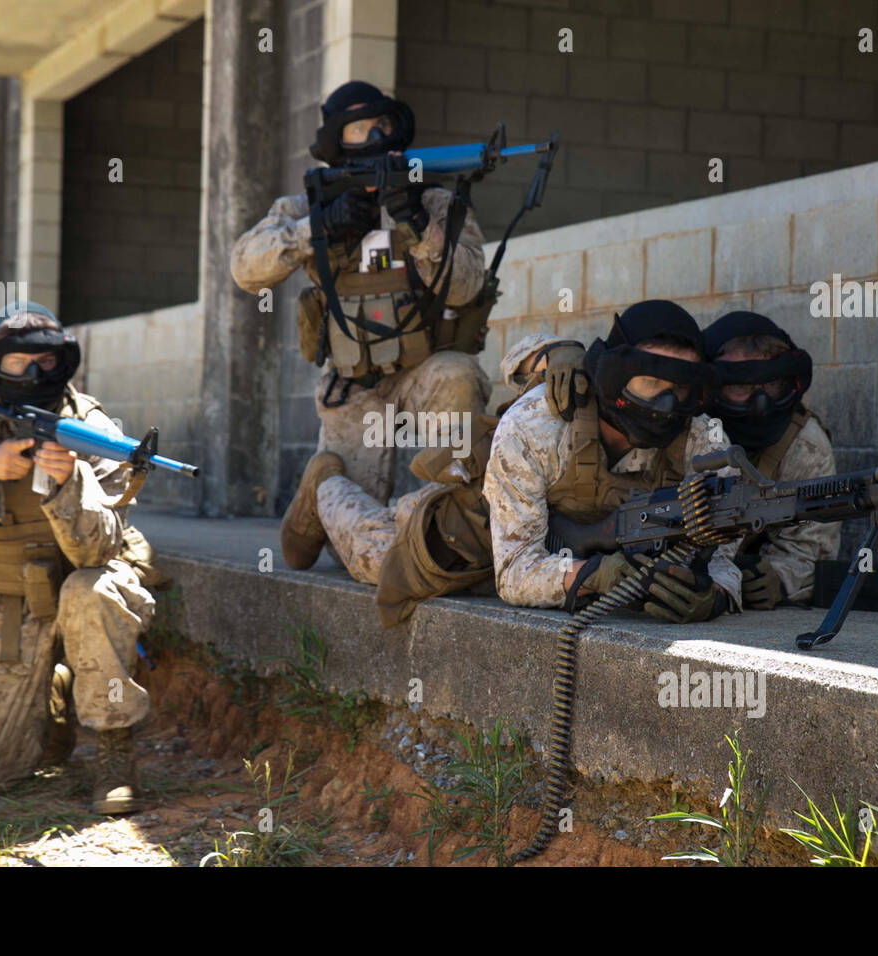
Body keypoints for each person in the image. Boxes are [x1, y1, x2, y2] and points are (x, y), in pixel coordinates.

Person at [0, 302, 156, 814]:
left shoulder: (88, 426)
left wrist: (69, 482)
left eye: (46, 360)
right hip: (9, 598)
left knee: (92, 589)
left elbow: (102, 546)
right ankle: (53, 699)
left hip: (79, 586)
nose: (35, 371)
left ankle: (113, 751)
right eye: (19, 361)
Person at [230, 80, 492, 567]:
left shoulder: (434, 202)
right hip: (354, 390)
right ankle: (320, 493)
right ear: (335, 142)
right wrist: (317, 229)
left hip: (423, 375)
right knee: (347, 544)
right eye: (358, 128)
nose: (373, 136)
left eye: (382, 125)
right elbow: (245, 268)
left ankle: (443, 527)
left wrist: (416, 223)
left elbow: (467, 288)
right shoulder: (310, 204)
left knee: (459, 373)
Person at [278, 332, 582, 626]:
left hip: (507, 552)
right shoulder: (599, 374)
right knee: (376, 558)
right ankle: (324, 484)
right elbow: (517, 360)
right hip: (463, 521)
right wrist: (560, 355)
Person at [484, 300, 743, 621]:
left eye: (679, 388)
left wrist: (715, 595)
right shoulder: (536, 424)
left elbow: (721, 558)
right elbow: (514, 569)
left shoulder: (704, 440)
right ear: (615, 377)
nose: (666, 404)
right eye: (651, 383)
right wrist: (592, 575)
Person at [703, 310, 840, 607]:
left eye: (770, 385)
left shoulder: (805, 446)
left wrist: (776, 580)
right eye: (741, 387)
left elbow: (809, 547)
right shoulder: (690, 430)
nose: (760, 401)